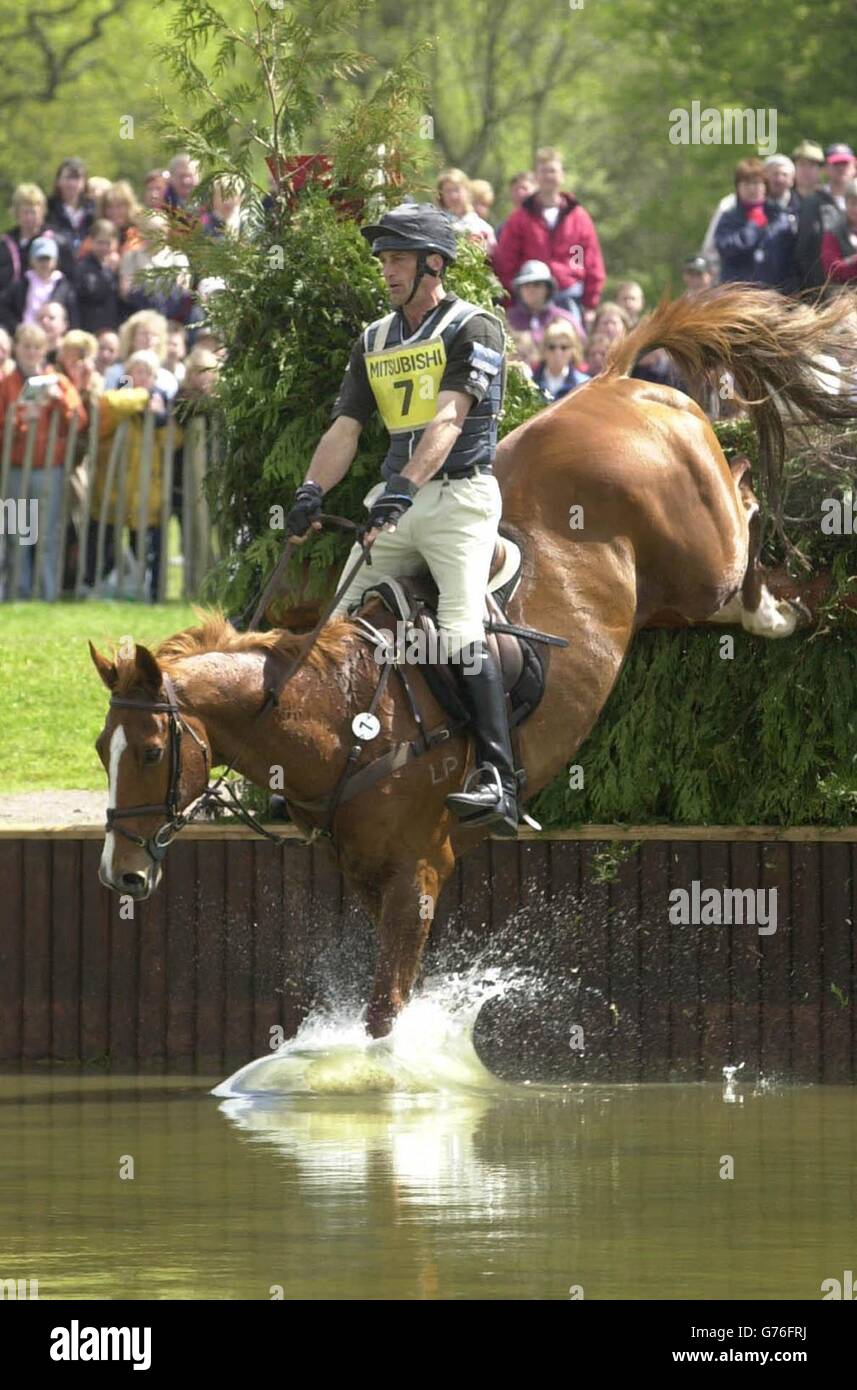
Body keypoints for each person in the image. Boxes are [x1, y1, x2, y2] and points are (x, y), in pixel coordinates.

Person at [282, 202, 519, 835]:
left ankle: (499, 777)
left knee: (460, 629)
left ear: (434, 264)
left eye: (398, 259)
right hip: (395, 503)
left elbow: (450, 419)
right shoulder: (374, 338)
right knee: (331, 634)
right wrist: (311, 487)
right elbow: (346, 428)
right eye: (384, 259)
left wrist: (404, 486)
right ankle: (310, 772)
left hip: (459, 503)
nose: (386, 271)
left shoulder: (476, 328)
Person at [0, 323, 86, 599]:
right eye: (26, 346)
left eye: (37, 347)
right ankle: (19, 591)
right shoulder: (5, 383)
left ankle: (47, 593)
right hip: (15, 469)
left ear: (44, 350)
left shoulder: (57, 381)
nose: (31, 352)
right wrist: (18, 420)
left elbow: (79, 420)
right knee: (18, 534)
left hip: (50, 469)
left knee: (48, 535)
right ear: (17, 348)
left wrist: (59, 401)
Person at [494, 146, 605, 323]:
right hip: (529, 300)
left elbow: (590, 261)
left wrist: (590, 303)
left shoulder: (579, 217)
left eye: (553, 171)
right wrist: (510, 300)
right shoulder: (520, 218)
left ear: (562, 175)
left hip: (568, 295)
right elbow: (507, 261)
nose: (548, 176)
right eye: (543, 171)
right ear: (536, 177)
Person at [714, 157, 797, 290]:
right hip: (738, 295)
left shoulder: (780, 216)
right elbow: (726, 248)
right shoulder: (729, 217)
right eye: (747, 184)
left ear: (765, 187)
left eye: (757, 183)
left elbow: (791, 259)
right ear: (738, 187)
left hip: (774, 296)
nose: (752, 189)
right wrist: (753, 226)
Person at [795, 143, 857, 293]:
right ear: (826, 169)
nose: (841, 168)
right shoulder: (813, 202)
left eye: (845, 163)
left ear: (854, 165)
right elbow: (803, 249)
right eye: (835, 164)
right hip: (824, 294)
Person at [0, 184, 74, 297]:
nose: (29, 217)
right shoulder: (5, 244)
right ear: (16, 213)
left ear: (42, 212)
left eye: (33, 212)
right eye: (25, 212)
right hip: (9, 307)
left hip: (45, 306)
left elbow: (69, 280)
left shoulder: (56, 242)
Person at [1, 238, 78, 333]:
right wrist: (16, 326)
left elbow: (73, 315)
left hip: (54, 336)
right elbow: (3, 307)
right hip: (26, 335)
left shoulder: (65, 286)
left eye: (47, 259)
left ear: (55, 261)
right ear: (32, 260)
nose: (44, 263)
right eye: (40, 259)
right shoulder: (21, 283)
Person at [505, 260, 581, 347]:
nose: (531, 290)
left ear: (547, 289)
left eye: (537, 285)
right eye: (526, 285)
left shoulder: (565, 319)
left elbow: (580, 350)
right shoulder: (508, 319)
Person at [75, 218, 122, 333]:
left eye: (108, 243)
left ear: (116, 243)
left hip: (113, 327)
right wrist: (107, 272)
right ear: (91, 241)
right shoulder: (83, 267)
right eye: (100, 242)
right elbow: (92, 292)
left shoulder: (120, 265)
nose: (104, 247)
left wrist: (118, 272)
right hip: (90, 327)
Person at [436, 168, 496, 251]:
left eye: (456, 190)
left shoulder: (481, 227)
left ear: (467, 191)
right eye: (447, 191)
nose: (453, 196)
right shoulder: (436, 224)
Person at [45, 158, 95, 253]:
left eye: (76, 178)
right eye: (68, 178)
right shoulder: (48, 208)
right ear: (58, 181)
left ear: (84, 182)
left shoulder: (93, 210)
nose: (72, 183)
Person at [532, 321, 590, 400]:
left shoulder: (583, 385)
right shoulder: (531, 384)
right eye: (552, 347)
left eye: (564, 347)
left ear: (573, 351)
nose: (557, 353)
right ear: (544, 350)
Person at [820, 178, 857, 284]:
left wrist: (848, 262)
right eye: (852, 203)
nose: (856, 209)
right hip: (844, 294)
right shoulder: (833, 232)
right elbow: (832, 269)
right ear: (845, 203)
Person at [791, 140, 826, 204]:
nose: (806, 170)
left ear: (821, 170)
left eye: (812, 165)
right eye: (802, 164)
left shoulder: (828, 200)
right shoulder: (785, 199)